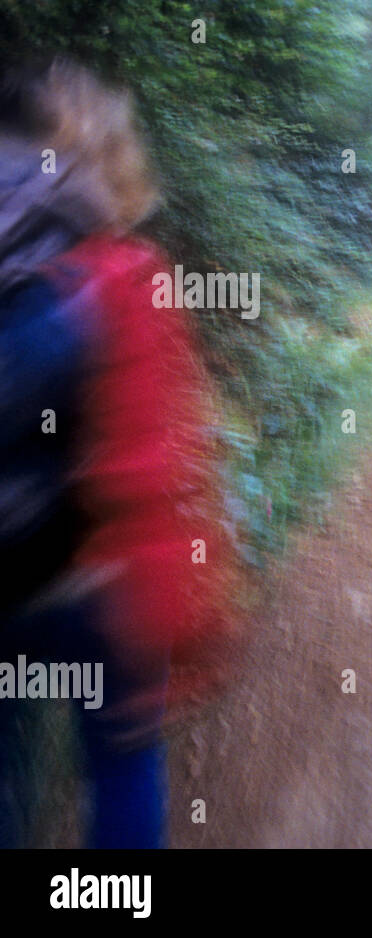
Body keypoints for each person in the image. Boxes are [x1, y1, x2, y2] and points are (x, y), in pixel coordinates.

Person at [0, 59, 231, 847]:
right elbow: (177, 446)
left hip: (17, 583)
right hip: (113, 584)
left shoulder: (31, 282)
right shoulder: (137, 275)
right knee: (123, 766)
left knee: (6, 772)